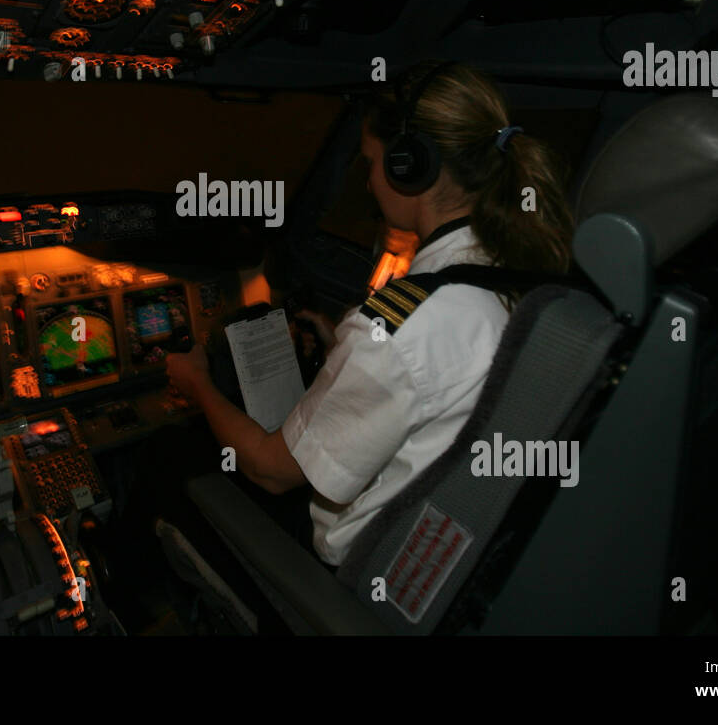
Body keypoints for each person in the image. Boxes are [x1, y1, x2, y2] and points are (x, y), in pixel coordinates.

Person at [165, 62, 574, 567]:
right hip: (448, 545)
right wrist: (346, 348)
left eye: (372, 162)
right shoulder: (518, 271)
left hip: (360, 570)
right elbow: (432, 377)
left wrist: (198, 384)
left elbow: (270, 471)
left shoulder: (404, 325)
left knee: (176, 464)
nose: (370, 182)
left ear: (409, 167)